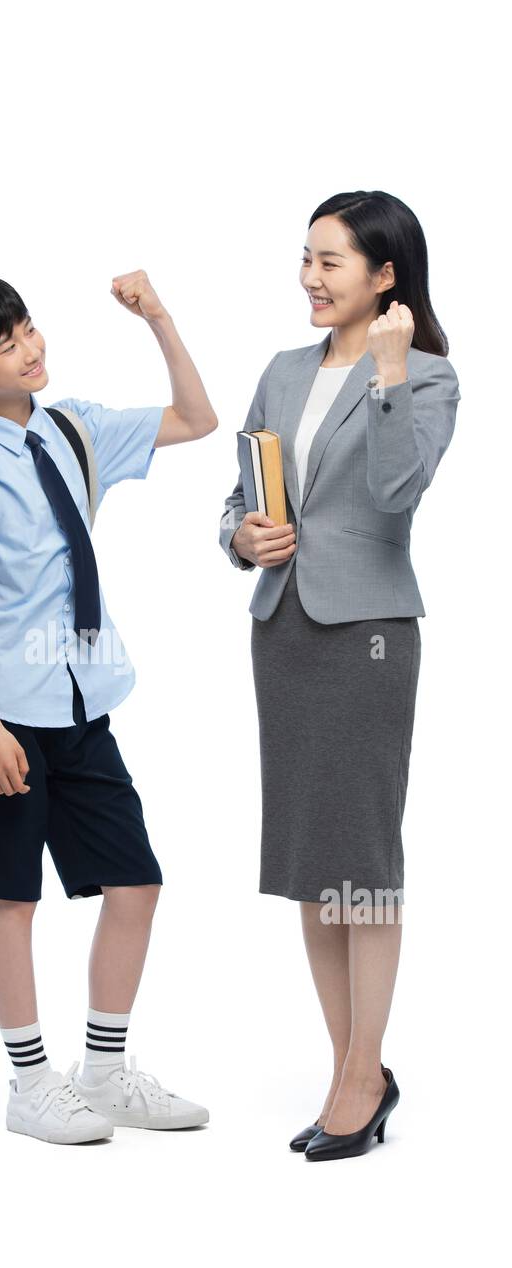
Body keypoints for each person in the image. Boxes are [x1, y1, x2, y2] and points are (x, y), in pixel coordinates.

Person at [0, 270, 215, 1142]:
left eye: (29, 328)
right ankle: (28, 1083)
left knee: (136, 883)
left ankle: (108, 1068)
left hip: (84, 702)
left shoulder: (74, 428)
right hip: (3, 709)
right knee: (12, 897)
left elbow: (196, 419)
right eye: (6, 344)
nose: (31, 347)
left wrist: (159, 318)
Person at [219, 191, 461, 1161]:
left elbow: (397, 490)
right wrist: (239, 535)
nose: (310, 278)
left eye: (330, 262)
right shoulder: (281, 371)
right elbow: (241, 490)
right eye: (305, 258)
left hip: (366, 633)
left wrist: (391, 373)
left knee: (360, 860)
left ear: (384, 274)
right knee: (312, 863)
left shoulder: (429, 376)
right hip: (281, 629)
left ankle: (362, 1072)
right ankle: (349, 1066)